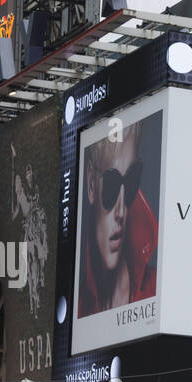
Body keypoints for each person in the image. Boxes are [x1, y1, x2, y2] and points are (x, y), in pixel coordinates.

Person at [78, 119, 158, 317]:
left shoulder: (157, 290)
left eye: (131, 181)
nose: (121, 211)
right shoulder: (76, 308)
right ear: (90, 183)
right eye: (111, 185)